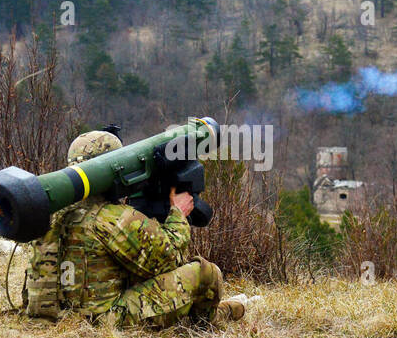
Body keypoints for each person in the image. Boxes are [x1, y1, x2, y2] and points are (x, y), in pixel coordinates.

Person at [24, 130, 246, 327]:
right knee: (206, 272)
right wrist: (178, 213)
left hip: (60, 314)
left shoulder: (54, 211)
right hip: (103, 321)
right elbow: (169, 259)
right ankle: (212, 319)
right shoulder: (112, 218)